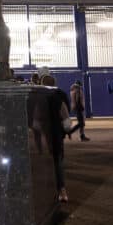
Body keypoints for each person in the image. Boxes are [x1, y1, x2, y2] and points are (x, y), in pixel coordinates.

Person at [43, 74, 71, 202]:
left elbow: (36, 122)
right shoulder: (59, 98)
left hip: (42, 138)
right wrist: (66, 131)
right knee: (58, 162)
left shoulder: (39, 99)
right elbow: (66, 121)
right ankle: (62, 191)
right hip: (56, 135)